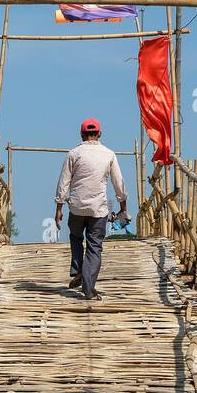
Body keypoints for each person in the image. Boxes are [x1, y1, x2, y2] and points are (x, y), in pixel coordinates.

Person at [54, 117, 127, 301]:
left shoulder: (73, 154)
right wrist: (122, 206)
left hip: (76, 208)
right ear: (99, 134)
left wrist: (59, 209)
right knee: (94, 247)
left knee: (76, 238)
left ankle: (78, 270)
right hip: (98, 210)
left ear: (81, 134)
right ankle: (88, 287)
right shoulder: (109, 154)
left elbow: (63, 183)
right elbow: (118, 183)